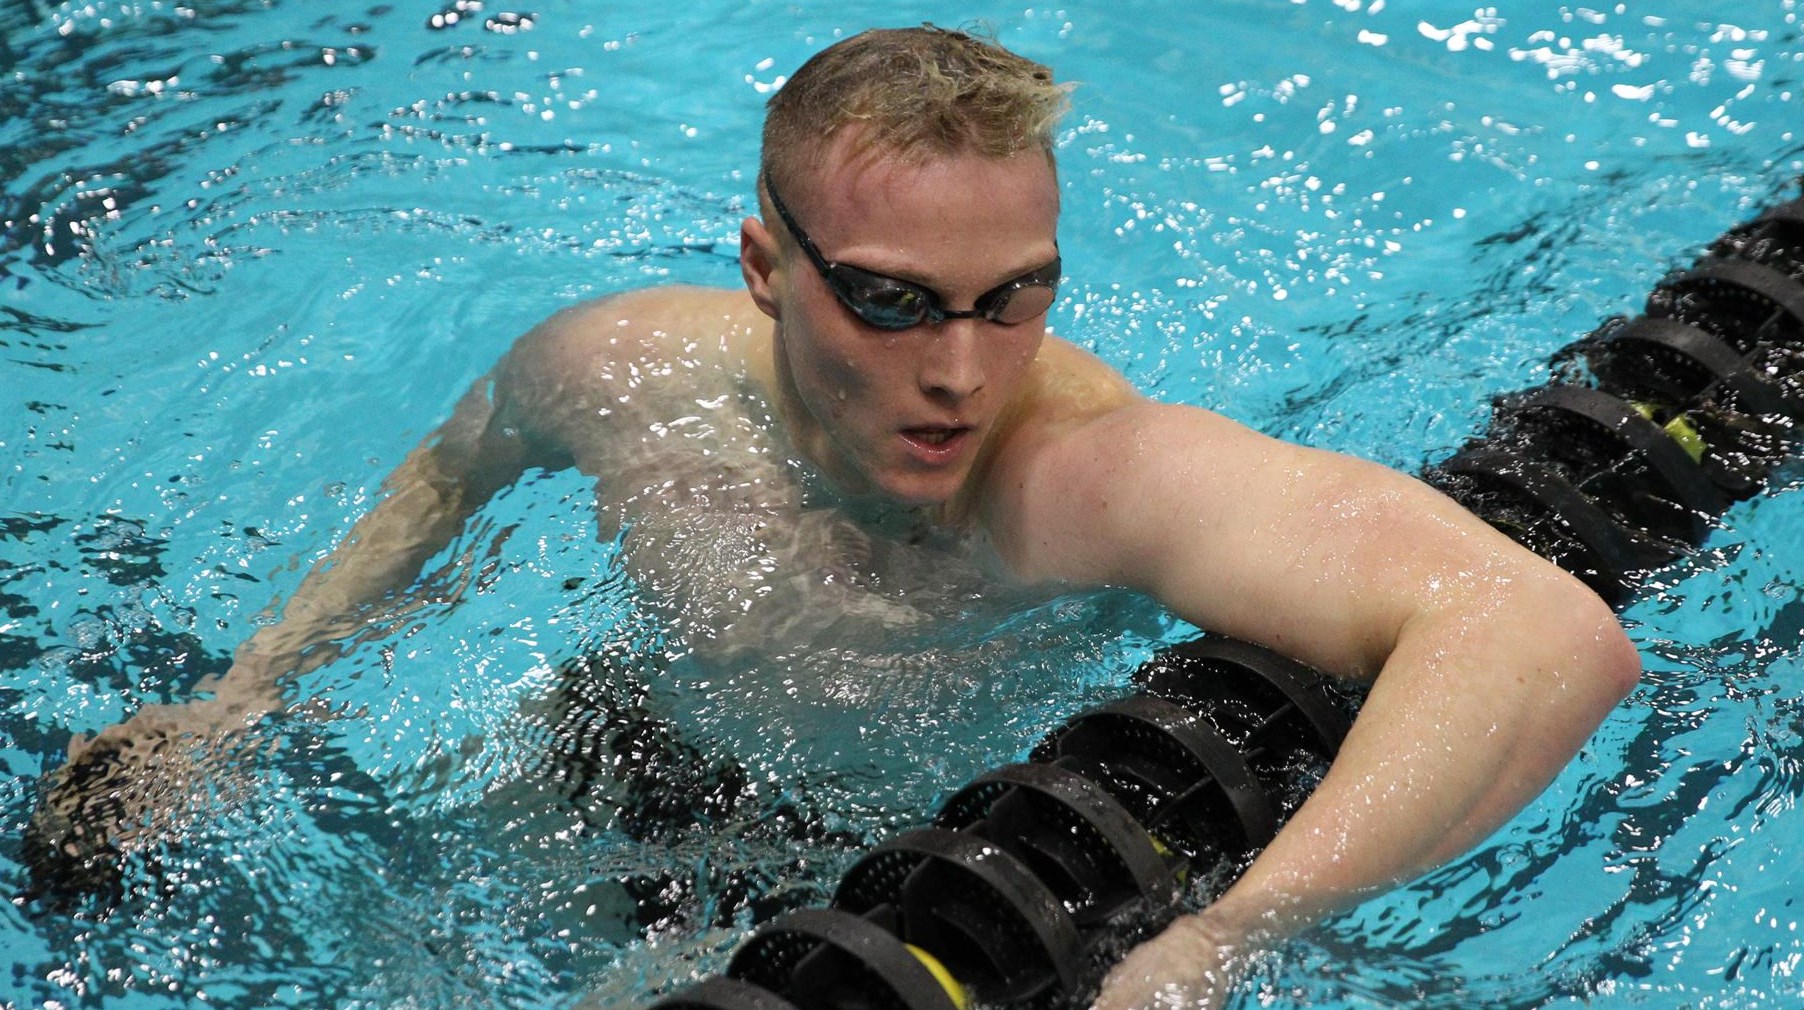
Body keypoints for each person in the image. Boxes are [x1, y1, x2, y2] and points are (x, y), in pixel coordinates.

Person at [35, 24, 1640, 1009]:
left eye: (1013, 299)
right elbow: (441, 489)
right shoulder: (608, 372)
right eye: (890, 303)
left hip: (902, 865)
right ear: (764, 267)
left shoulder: (1081, 476)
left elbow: (1540, 632)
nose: (960, 371)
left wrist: (1240, 927)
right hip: (607, 748)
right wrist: (240, 702)